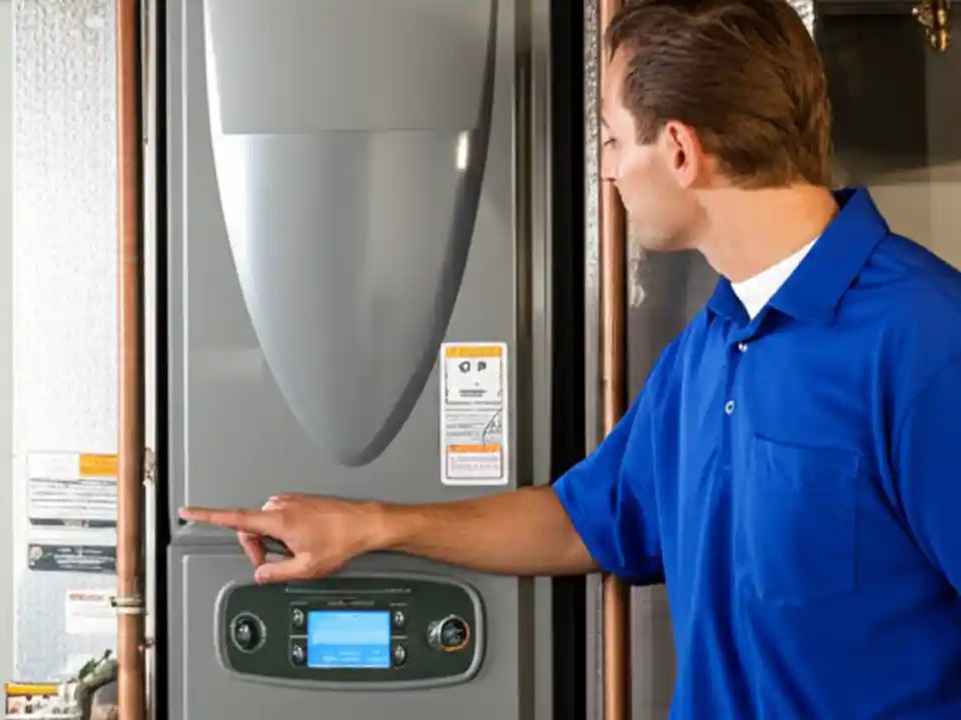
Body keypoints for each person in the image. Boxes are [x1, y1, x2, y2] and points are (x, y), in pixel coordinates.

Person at [180, 0, 961, 717]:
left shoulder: (924, 340)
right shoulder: (716, 344)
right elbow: (583, 523)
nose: (608, 167)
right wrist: (370, 525)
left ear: (681, 150)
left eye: (616, 139)